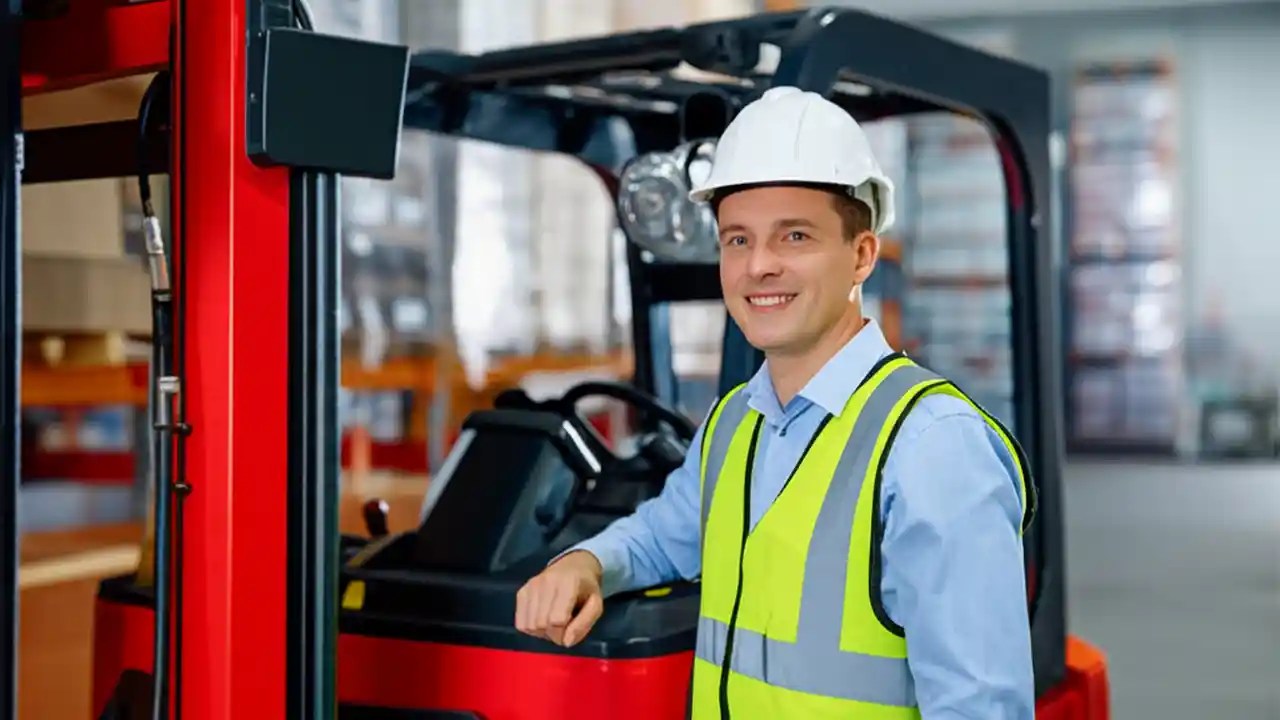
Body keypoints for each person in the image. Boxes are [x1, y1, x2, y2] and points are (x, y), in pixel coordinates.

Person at [513, 86, 1037, 719]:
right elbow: (665, 535)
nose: (758, 265)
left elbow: (980, 708)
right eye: (737, 240)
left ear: (861, 255)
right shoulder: (736, 422)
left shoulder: (931, 448)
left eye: (794, 236)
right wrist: (587, 562)